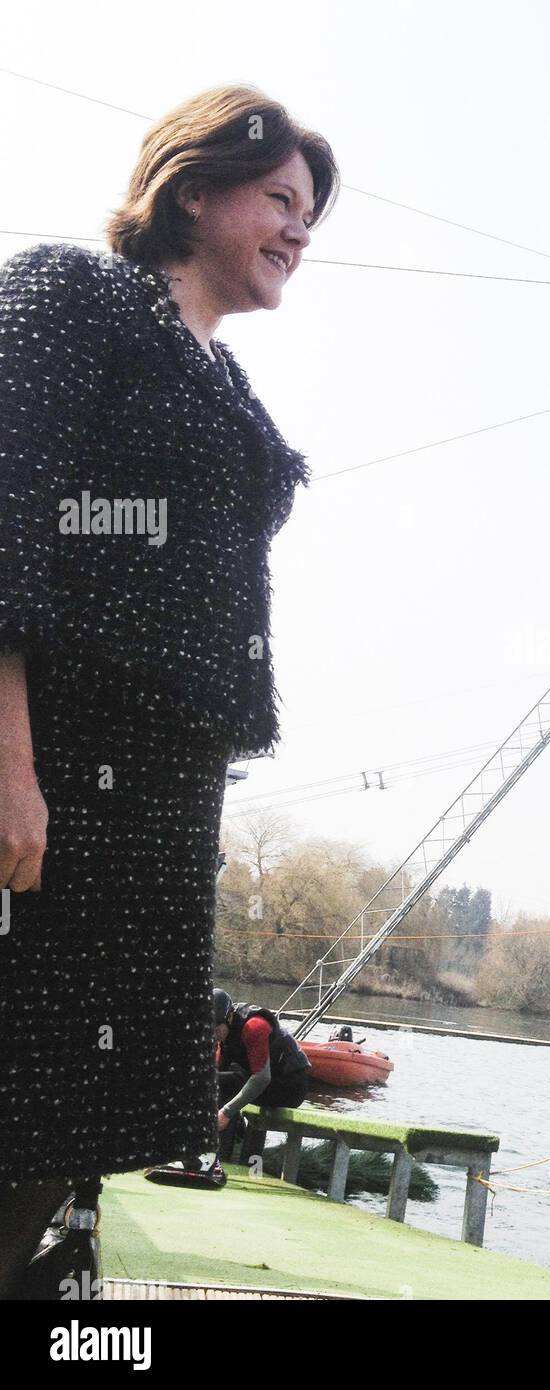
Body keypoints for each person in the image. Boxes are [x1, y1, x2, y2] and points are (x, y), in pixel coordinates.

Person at [0, 85, 338, 1298]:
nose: (301, 229)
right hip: (55, 753)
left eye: (313, 213)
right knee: (23, 1081)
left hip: (162, 784)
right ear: (193, 189)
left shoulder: (229, 382)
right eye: (281, 201)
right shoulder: (72, 293)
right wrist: (11, 765)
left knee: (77, 1112)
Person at [213, 988, 311, 1156]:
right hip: (266, 1079)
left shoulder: (254, 1026)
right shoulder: (225, 1032)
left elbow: (261, 1078)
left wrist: (226, 1112)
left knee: (229, 1082)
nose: (213, 1035)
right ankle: (225, 1148)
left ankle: (222, 1157)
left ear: (229, 1017)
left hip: (290, 1086)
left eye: (215, 1030)